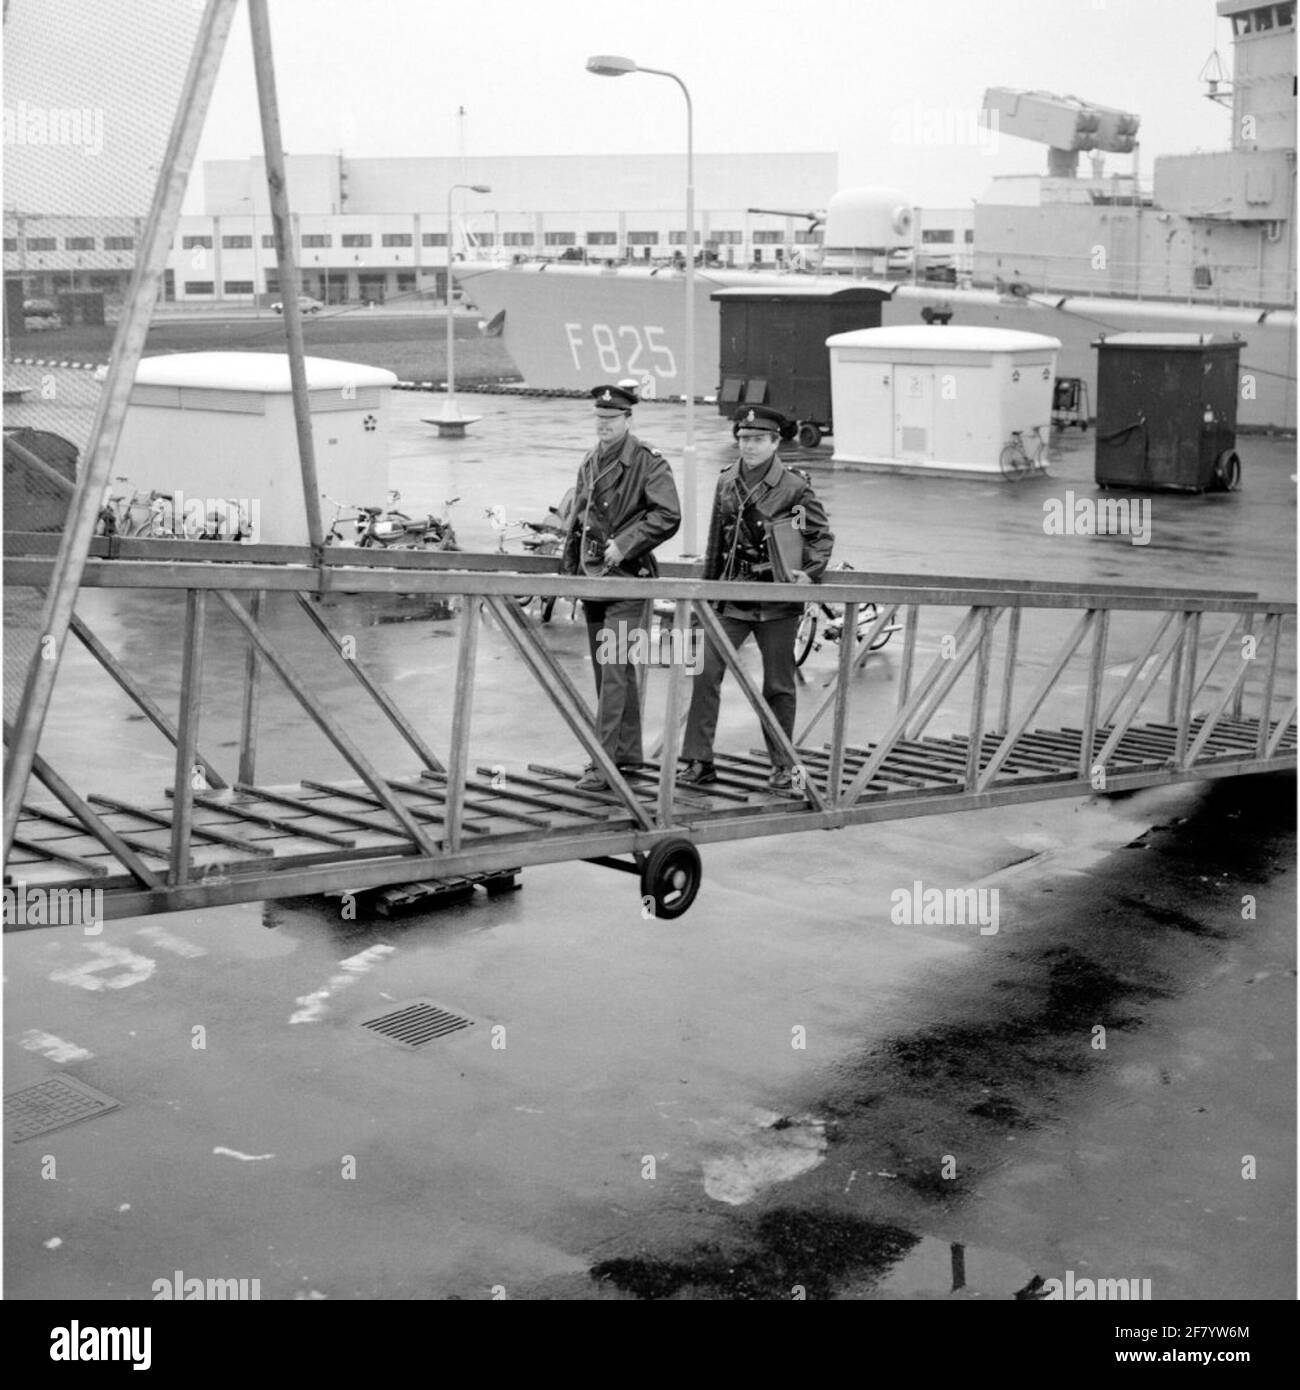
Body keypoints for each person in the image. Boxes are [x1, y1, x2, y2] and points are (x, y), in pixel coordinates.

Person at [679, 405, 834, 791]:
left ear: (775, 442)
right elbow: (717, 543)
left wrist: (809, 572)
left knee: (778, 685)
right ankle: (699, 760)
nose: (749, 446)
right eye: (744, 439)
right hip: (731, 597)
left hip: (777, 600)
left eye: (757, 439)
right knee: (705, 671)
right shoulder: (726, 481)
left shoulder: (794, 487)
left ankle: (782, 764)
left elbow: (818, 536)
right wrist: (706, 598)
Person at [561, 384, 681, 791]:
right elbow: (580, 515)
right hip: (594, 578)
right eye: (599, 418)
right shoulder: (590, 460)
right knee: (609, 671)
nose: (603, 425)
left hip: (629, 580)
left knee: (614, 671)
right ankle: (627, 752)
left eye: (611, 419)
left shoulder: (648, 462)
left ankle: (603, 762)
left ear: (629, 419)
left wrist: (625, 544)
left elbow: (668, 514)